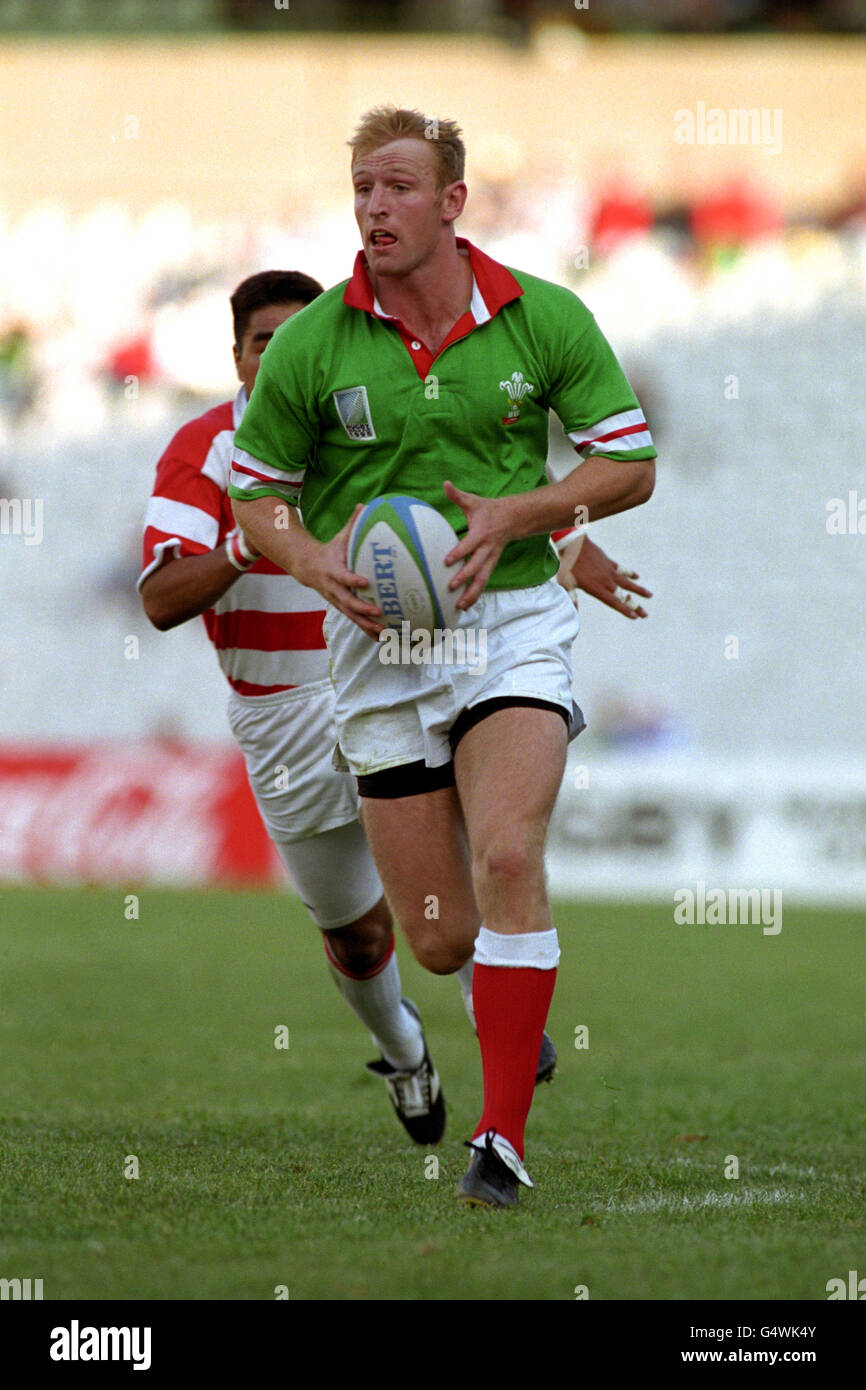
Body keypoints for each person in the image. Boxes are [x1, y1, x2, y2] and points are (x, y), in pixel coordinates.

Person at [229, 109, 656, 1208]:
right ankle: (501, 994)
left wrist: (530, 510)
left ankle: (500, 1140)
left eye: (398, 188)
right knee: (437, 937)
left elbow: (627, 460)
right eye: (362, 188)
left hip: (507, 624)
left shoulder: (541, 317)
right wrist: (317, 560)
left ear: (452, 202)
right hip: (381, 652)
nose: (374, 207)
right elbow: (256, 495)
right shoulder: (315, 340)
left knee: (509, 858)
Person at [137, 269, 647, 1152]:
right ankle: (403, 1049)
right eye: (265, 342)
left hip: (400, 666)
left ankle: (495, 1018)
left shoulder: (358, 410)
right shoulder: (210, 450)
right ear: (238, 356)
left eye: (300, 337)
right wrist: (252, 540)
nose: (286, 355)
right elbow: (159, 597)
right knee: (361, 933)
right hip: (285, 714)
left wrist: (570, 545)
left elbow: (448, 505)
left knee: (484, 861)